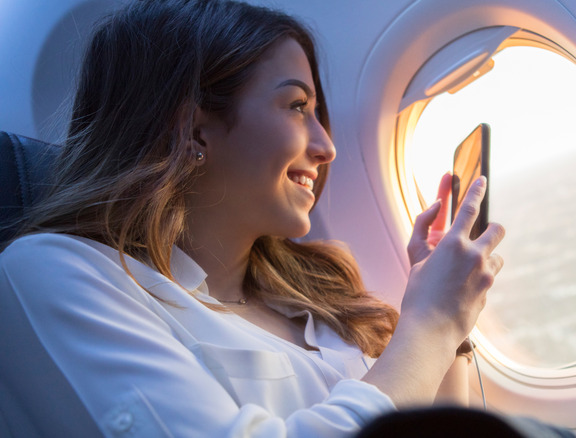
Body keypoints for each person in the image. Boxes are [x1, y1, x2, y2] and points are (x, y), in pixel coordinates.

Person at [0, 0, 505, 436]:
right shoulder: (52, 272)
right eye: (296, 106)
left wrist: (451, 321)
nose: (326, 146)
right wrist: (428, 325)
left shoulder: (320, 294)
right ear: (196, 131)